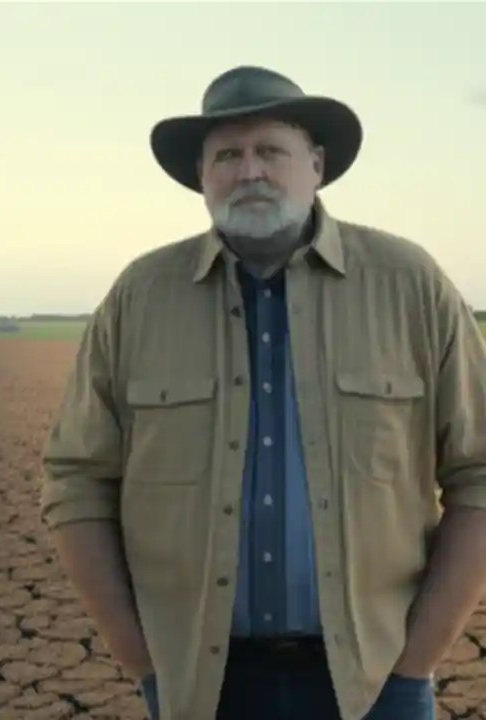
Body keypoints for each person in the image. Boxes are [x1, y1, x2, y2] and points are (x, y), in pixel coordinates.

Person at [38, 65, 486, 720]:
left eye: (270, 150)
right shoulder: (140, 297)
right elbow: (76, 478)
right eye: (227, 155)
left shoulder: (408, 285)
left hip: (374, 686)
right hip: (200, 689)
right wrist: (142, 659)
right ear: (201, 176)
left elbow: (477, 471)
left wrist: (416, 659)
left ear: (317, 164)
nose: (249, 171)